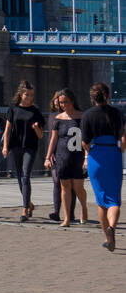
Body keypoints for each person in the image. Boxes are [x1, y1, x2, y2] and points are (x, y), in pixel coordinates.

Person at [81, 82, 125, 251]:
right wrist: (119, 149)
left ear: (93, 99)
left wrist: (90, 150)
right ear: (108, 96)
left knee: (101, 201)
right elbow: (123, 140)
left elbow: (85, 142)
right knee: (114, 199)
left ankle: (107, 238)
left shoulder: (87, 115)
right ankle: (112, 227)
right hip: (113, 154)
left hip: (96, 155)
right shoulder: (117, 113)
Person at [45, 89, 89, 227]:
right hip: (62, 157)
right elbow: (53, 139)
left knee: (78, 188)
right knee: (64, 187)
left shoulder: (82, 117)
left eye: (66, 102)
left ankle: (84, 208)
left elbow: (88, 139)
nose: (63, 105)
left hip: (78, 157)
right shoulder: (58, 119)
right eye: (61, 103)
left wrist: (87, 157)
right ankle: (66, 218)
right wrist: (47, 157)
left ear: (73, 101)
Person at [1, 81, 44, 221]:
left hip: (30, 146)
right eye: (27, 94)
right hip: (15, 146)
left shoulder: (35, 111)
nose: (29, 97)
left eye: (31, 95)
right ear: (20, 94)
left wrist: (37, 127)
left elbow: (41, 135)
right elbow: (7, 129)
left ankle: (25, 210)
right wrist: (5, 146)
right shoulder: (13, 108)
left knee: (25, 175)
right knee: (19, 177)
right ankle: (29, 203)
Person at [46, 93, 64, 221]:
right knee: (56, 181)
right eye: (56, 102)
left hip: (66, 152)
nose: (57, 104)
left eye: (60, 102)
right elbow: (51, 138)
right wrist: (49, 153)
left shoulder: (67, 116)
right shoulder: (52, 116)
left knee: (68, 183)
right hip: (54, 152)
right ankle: (56, 212)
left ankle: (70, 212)